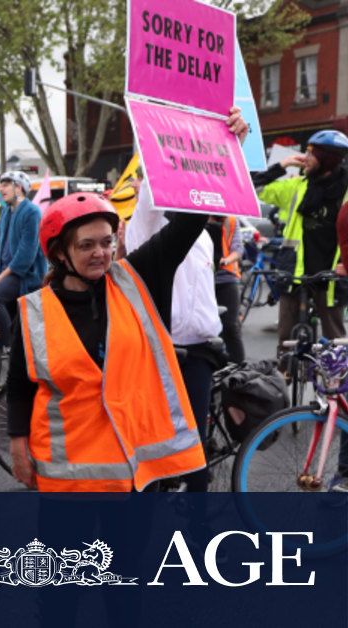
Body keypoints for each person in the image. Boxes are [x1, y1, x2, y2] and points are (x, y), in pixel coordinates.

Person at [7, 108, 249, 492]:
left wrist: (222, 148)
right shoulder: (33, 310)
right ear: (59, 254)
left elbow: (190, 220)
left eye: (107, 242)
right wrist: (18, 448)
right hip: (66, 484)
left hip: (133, 481)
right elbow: (20, 386)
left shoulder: (137, 279)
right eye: (86, 245)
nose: (101, 254)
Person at [126, 182, 224, 492]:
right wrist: (156, 174)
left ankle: (196, 515)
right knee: (150, 444)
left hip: (199, 351)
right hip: (158, 352)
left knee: (195, 445)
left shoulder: (204, 236)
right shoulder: (148, 226)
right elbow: (149, 202)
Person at [257, 129, 348, 350]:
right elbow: (254, 187)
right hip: (294, 273)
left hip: (332, 277)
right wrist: (282, 165)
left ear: (327, 158)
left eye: (310, 154)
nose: (304, 158)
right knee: (286, 340)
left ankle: (335, 373)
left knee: (335, 343)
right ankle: (286, 371)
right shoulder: (297, 186)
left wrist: (346, 263)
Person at [0, 171, 47, 349]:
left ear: (19, 188)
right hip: (6, 273)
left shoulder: (32, 212)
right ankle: (17, 352)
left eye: (6, 185)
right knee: (16, 322)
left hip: (24, 276)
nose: (1, 189)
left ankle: (9, 345)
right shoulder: (5, 213)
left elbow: (24, 257)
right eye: (1, 185)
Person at [209, 215, 245, 363]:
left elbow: (238, 248)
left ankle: (239, 368)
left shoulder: (231, 220)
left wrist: (226, 260)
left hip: (227, 278)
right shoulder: (196, 216)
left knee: (230, 326)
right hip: (203, 279)